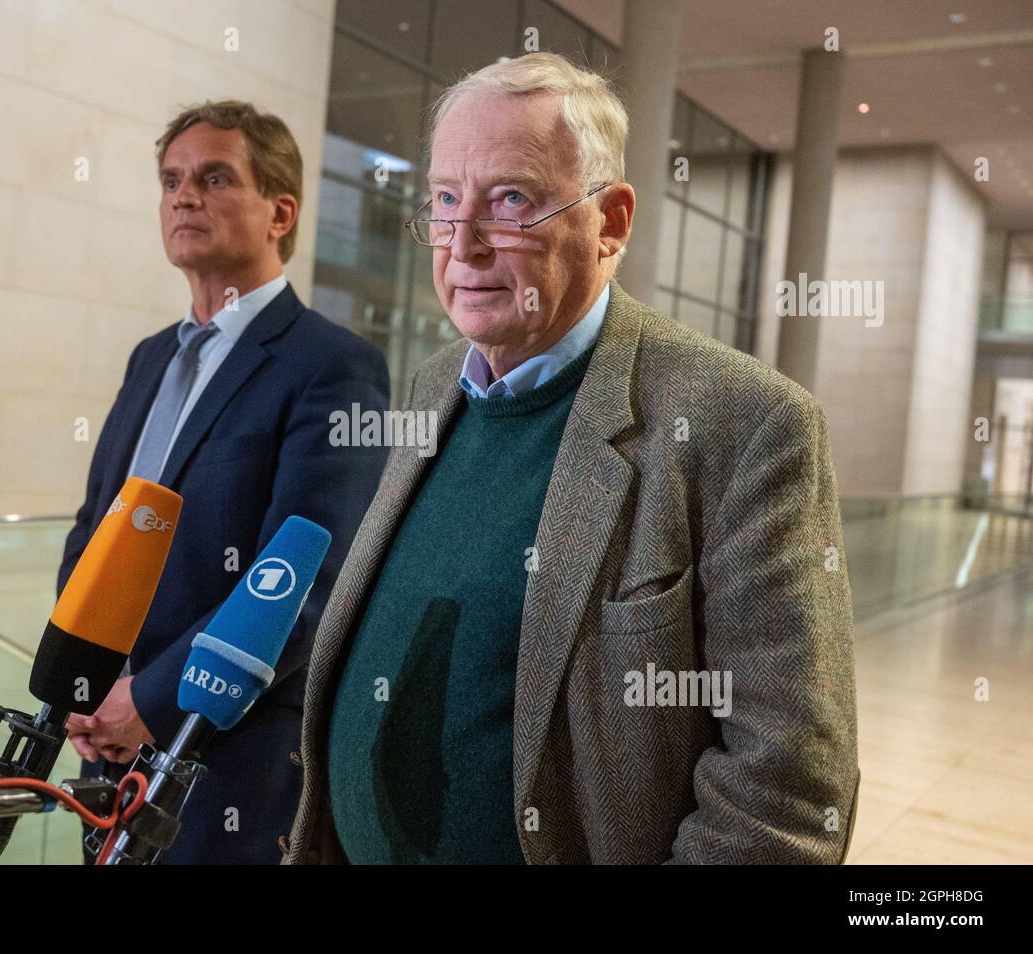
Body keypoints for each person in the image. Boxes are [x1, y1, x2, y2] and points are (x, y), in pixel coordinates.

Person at [284, 53, 859, 864]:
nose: (464, 244)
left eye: (511, 199)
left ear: (612, 221)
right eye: (446, 201)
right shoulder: (431, 385)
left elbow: (785, 794)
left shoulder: (743, 424)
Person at [58, 99, 389, 864]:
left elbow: (305, 582)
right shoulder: (150, 357)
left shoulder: (332, 366)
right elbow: (92, 529)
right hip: (104, 744)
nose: (183, 196)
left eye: (213, 178)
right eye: (171, 180)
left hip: (222, 754)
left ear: (280, 211)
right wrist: (77, 685)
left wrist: (147, 700)